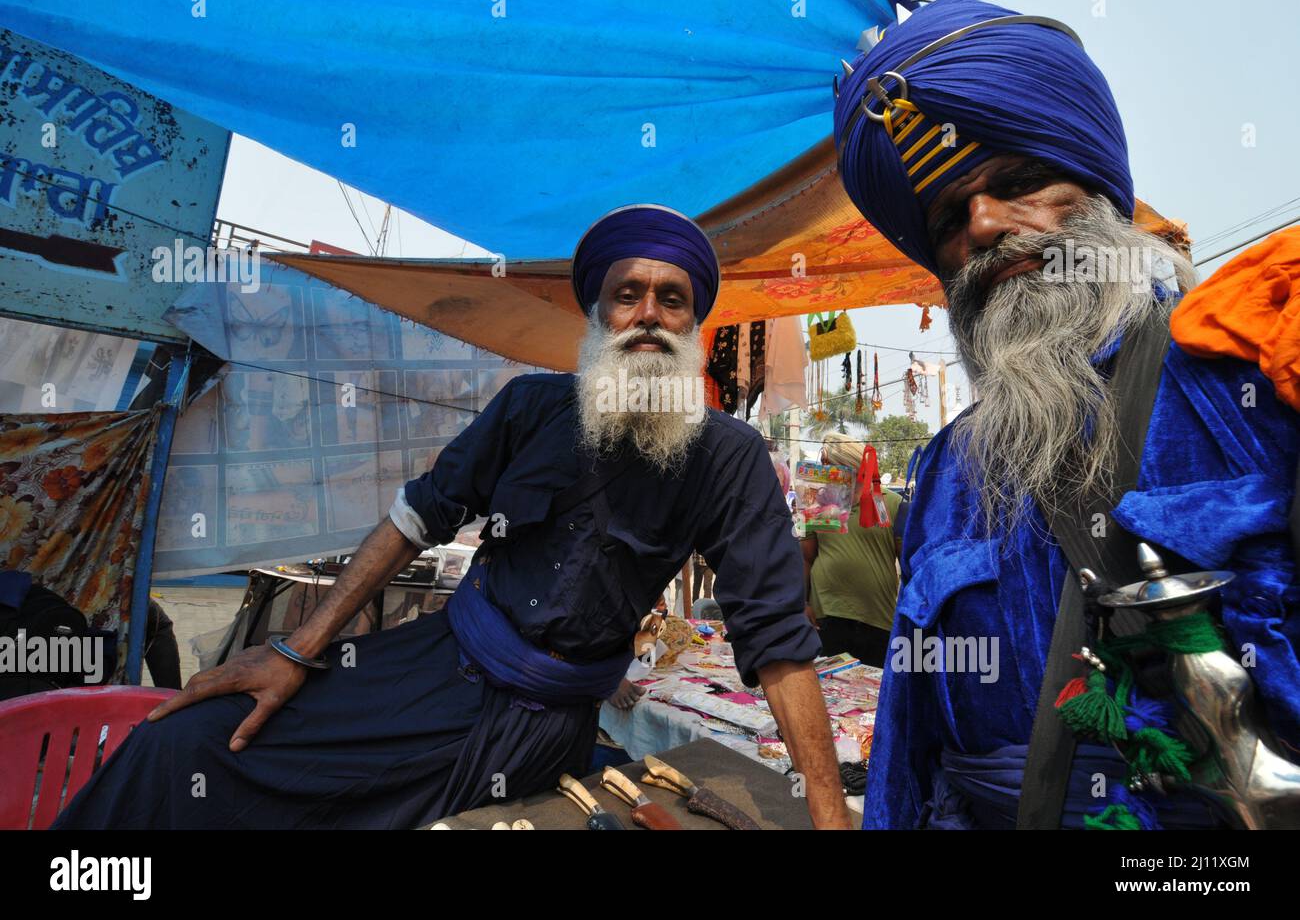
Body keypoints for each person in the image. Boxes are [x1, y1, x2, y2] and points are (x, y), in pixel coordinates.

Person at [54, 203, 850, 829]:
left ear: (695, 326)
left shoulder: (729, 456)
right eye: (627, 294)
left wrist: (827, 817)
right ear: (600, 317)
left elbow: (777, 642)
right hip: (438, 672)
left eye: (670, 299)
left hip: (549, 725)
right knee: (182, 746)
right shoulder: (531, 408)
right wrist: (295, 648)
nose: (647, 313)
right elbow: (414, 518)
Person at [835, 0, 1300, 828]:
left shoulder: (1243, 385)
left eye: (1015, 183)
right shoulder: (944, 469)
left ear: (1101, 198)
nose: (983, 224)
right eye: (948, 217)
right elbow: (908, 737)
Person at [800, 433, 906, 668]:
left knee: (871, 692)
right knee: (832, 689)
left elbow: (906, 562)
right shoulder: (818, 502)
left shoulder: (888, 502)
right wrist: (802, 604)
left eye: (828, 462)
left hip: (878, 618)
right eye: (823, 463)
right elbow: (805, 557)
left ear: (849, 463)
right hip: (827, 615)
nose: (824, 469)